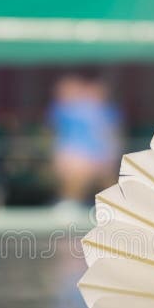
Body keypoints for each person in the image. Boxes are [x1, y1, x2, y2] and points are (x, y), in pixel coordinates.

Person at [48, 73, 122, 210]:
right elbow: (58, 133)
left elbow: (111, 135)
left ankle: (116, 206)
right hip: (75, 154)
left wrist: (109, 153)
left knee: (106, 179)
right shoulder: (64, 109)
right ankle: (70, 203)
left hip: (100, 154)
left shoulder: (107, 110)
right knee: (76, 174)